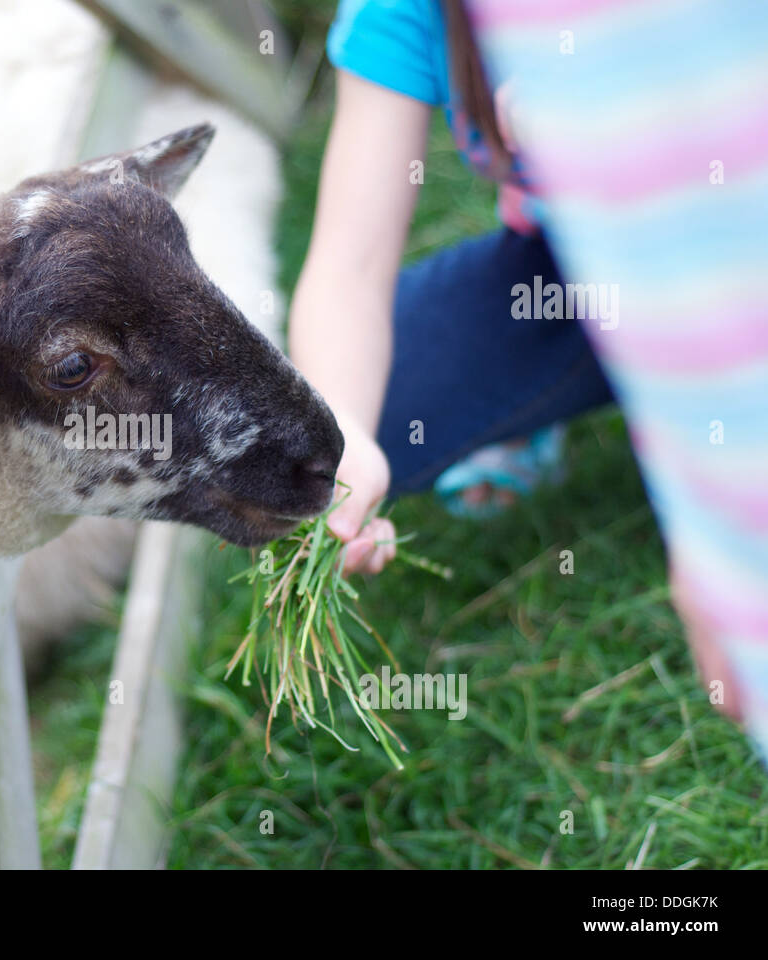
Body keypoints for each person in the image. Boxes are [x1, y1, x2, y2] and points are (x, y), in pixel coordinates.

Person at [290, 0, 768, 755]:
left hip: (733, 255)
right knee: (331, 421)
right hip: (576, 280)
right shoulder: (406, 12)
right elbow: (346, 267)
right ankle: (557, 402)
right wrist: (345, 435)